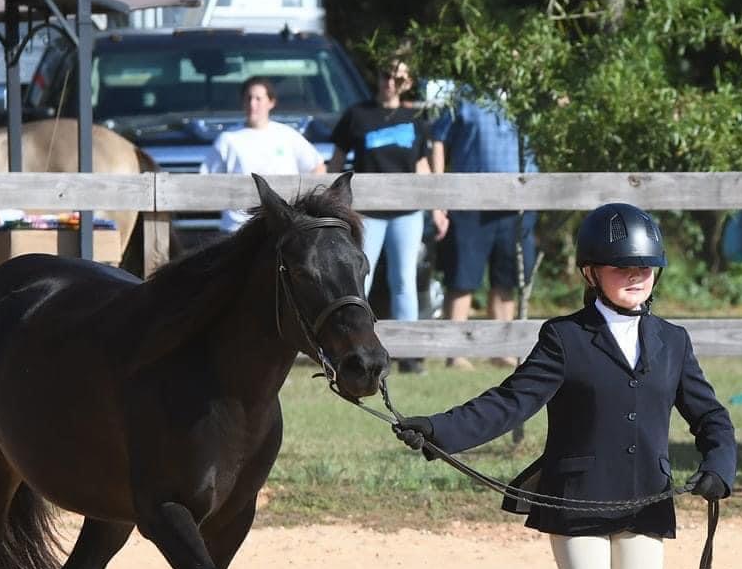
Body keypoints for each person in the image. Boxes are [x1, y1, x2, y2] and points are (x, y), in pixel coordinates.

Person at [390, 204, 736, 569]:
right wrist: (441, 431)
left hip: (647, 499)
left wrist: (720, 464)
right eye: (621, 267)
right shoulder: (565, 338)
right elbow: (509, 402)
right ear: (590, 272)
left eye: (645, 268)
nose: (636, 276)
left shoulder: (673, 341)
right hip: (577, 498)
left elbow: (711, 416)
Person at [332, 55, 435, 371]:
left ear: (406, 83)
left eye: (396, 78)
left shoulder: (415, 119)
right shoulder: (358, 116)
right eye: (384, 75)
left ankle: (410, 354)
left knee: (404, 279)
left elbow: (423, 167)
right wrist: (331, 200)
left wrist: (438, 208)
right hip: (369, 213)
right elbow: (337, 161)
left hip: (407, 212)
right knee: (363, 275)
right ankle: (356, 346)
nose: (389, 82)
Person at [432, 92, 537, 369]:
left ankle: (501, 351)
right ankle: (456, 354)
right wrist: (439, 194)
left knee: (507, 281)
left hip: (519, 202)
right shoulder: (463, 98)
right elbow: (438, 140)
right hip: (469, 203)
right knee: (462, 279)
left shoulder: (527, 95)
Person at [203, 76, 326, 241]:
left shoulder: (286, 135)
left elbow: (318, 166)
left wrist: (303, 203)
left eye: (258, 99)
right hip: (238, 231)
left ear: (271, 102)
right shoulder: (228, 139)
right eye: (248, 98)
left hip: (283, 228)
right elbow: (207, 183)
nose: (253, 104)